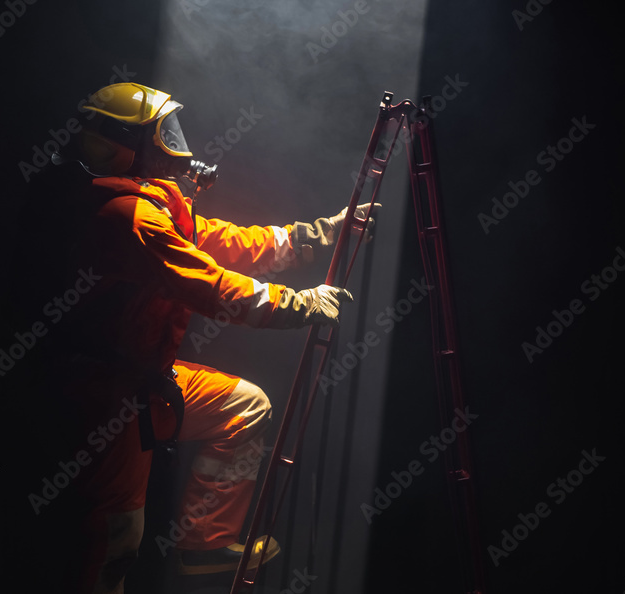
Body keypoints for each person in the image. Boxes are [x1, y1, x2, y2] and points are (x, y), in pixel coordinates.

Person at [21, 82, 376, 593]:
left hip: (143, 380)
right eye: (163, 133)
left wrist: (318, 234)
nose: (177, 144)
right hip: (105, 400)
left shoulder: (144, 206)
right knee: (115, 544)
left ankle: (206, 546)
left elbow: (221, 241)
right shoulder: (128, 216)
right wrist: (299, 304)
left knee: (244, 406)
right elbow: (210, 285)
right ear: (129, 143)